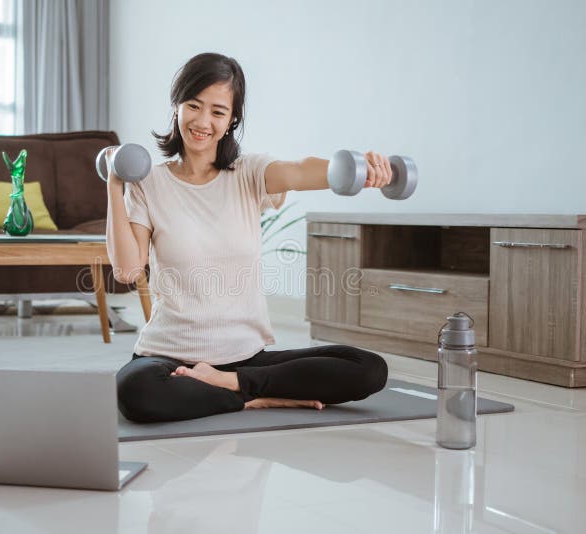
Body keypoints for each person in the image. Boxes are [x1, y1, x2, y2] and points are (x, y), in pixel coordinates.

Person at [107, 52, 390, 423]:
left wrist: (358, 167)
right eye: (194, 105)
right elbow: (128, 271)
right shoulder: (149, 183)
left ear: (232, 120)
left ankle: (231, 384)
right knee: (135, 390)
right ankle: (253, 396)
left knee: (369, 368)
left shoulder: (249, 173)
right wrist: (114, 184)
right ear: (176, 106)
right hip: (168, 356)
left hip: (245, 359)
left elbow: (299, 170)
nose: (203, 122)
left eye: (218, 111)